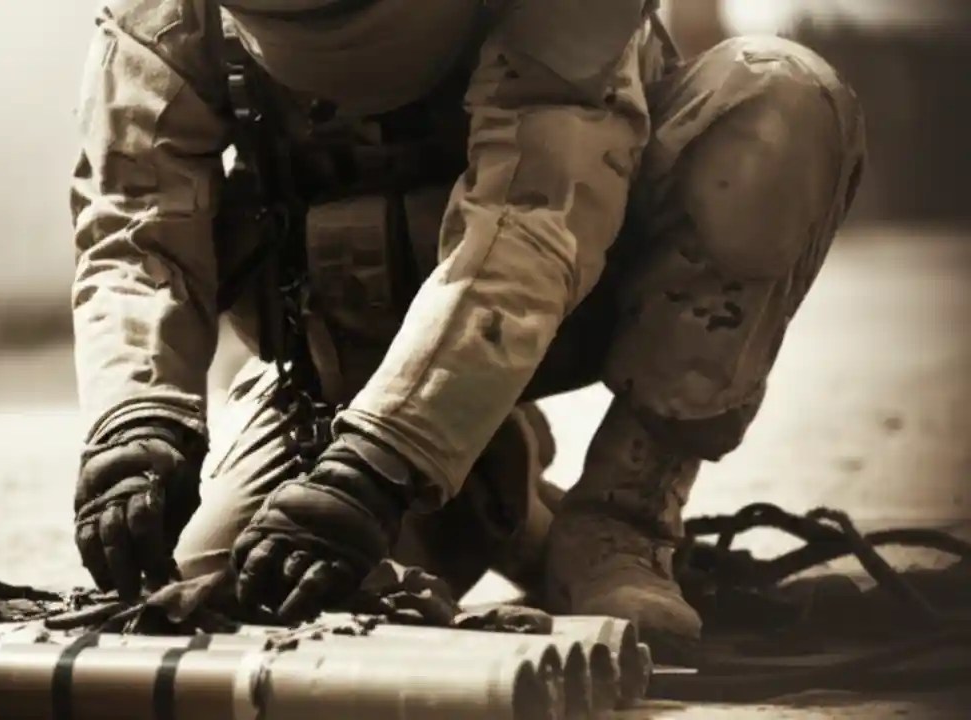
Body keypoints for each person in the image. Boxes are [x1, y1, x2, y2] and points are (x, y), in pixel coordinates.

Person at [69, 0, 866, 653]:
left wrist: (384, 460)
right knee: (233, 588)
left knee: (780, 102)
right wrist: (139, 422)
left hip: (581, 289)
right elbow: (137, 234)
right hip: (343, 359)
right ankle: (499, 497)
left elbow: (530, 222)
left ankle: (623, 518)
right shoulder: (165, 18)